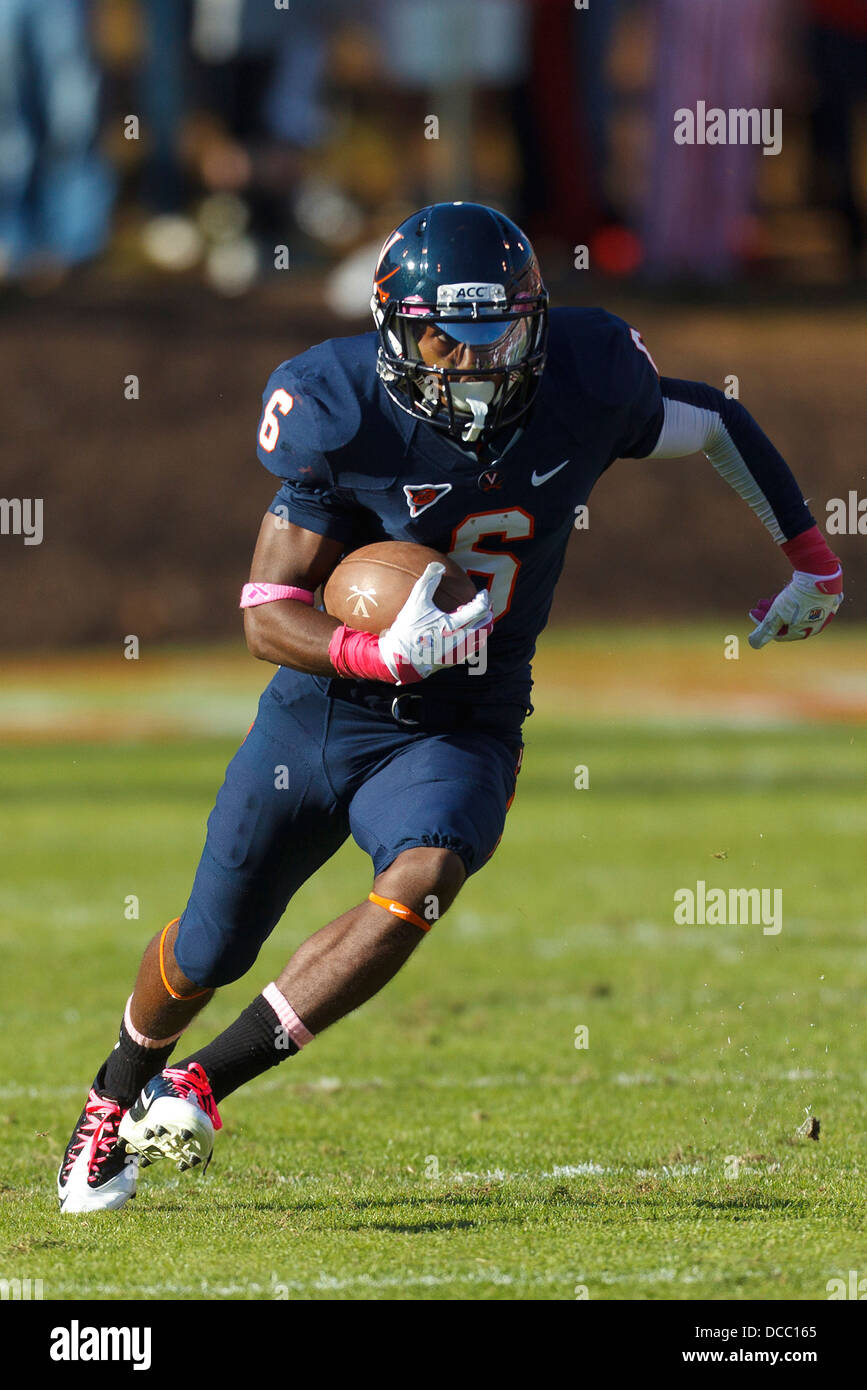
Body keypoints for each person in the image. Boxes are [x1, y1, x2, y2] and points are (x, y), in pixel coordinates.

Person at [57, 202, 843, 1212]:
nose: (471, 363)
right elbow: (263, 609)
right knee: (209, 944)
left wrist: (810, 560)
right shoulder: (336, 404)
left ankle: (206, 1078)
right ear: (393, 323)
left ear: (535, 324)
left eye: (496, 336)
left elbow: (715, 421)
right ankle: (118, 1084)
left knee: (423, 879)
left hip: (465, 720)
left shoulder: (585, 378)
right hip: (324, 709)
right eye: (441, 336)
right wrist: (373, 651)